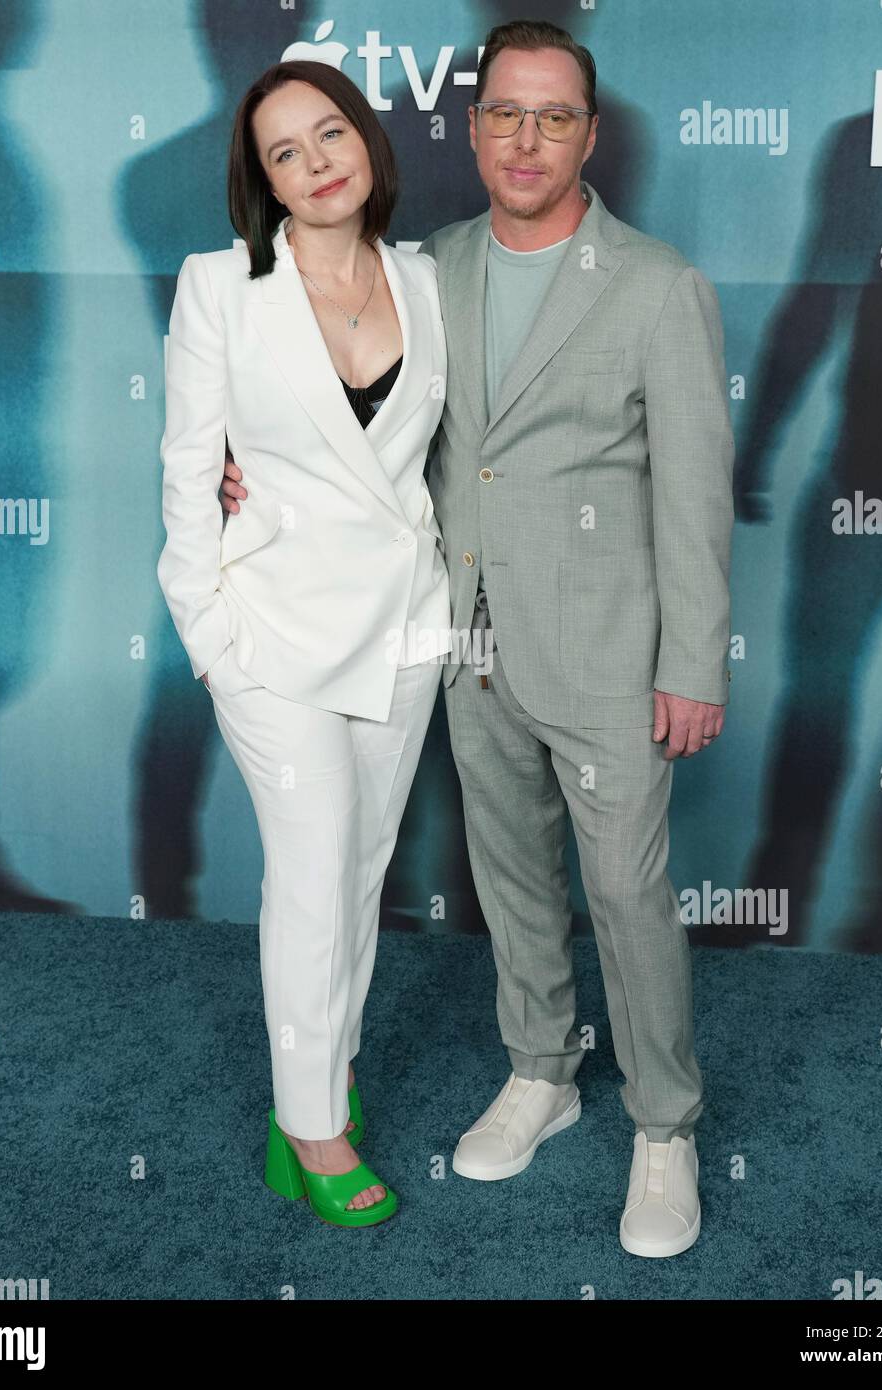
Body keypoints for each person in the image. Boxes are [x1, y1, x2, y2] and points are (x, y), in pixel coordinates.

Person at [222, 20, 734, 1257]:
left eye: (553, 117)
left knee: (622, 890)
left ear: (588, 135)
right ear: (470, 125)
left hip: (610, 651)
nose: (526, 138)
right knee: (509, 880)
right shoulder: (425, 266)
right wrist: (252, 477)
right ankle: (540, 1072)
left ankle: (663, 1126)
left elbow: (694, 492)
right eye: (505, 113)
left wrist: (690, 662)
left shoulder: (659, 287)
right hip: (466, 642)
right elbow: (347, 406)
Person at [157, 59, 452, 1229]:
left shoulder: (428, 280)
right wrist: (209, 631)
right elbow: (187, 474)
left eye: (330, 133)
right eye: (286, 150)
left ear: (367, 144)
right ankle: (313, 1127)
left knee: (361, 875)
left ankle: (316, 1086)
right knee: (312, 873)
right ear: (261, 180)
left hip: (403, 626)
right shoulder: (220, 288)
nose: (316, 161)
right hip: (271, 631)